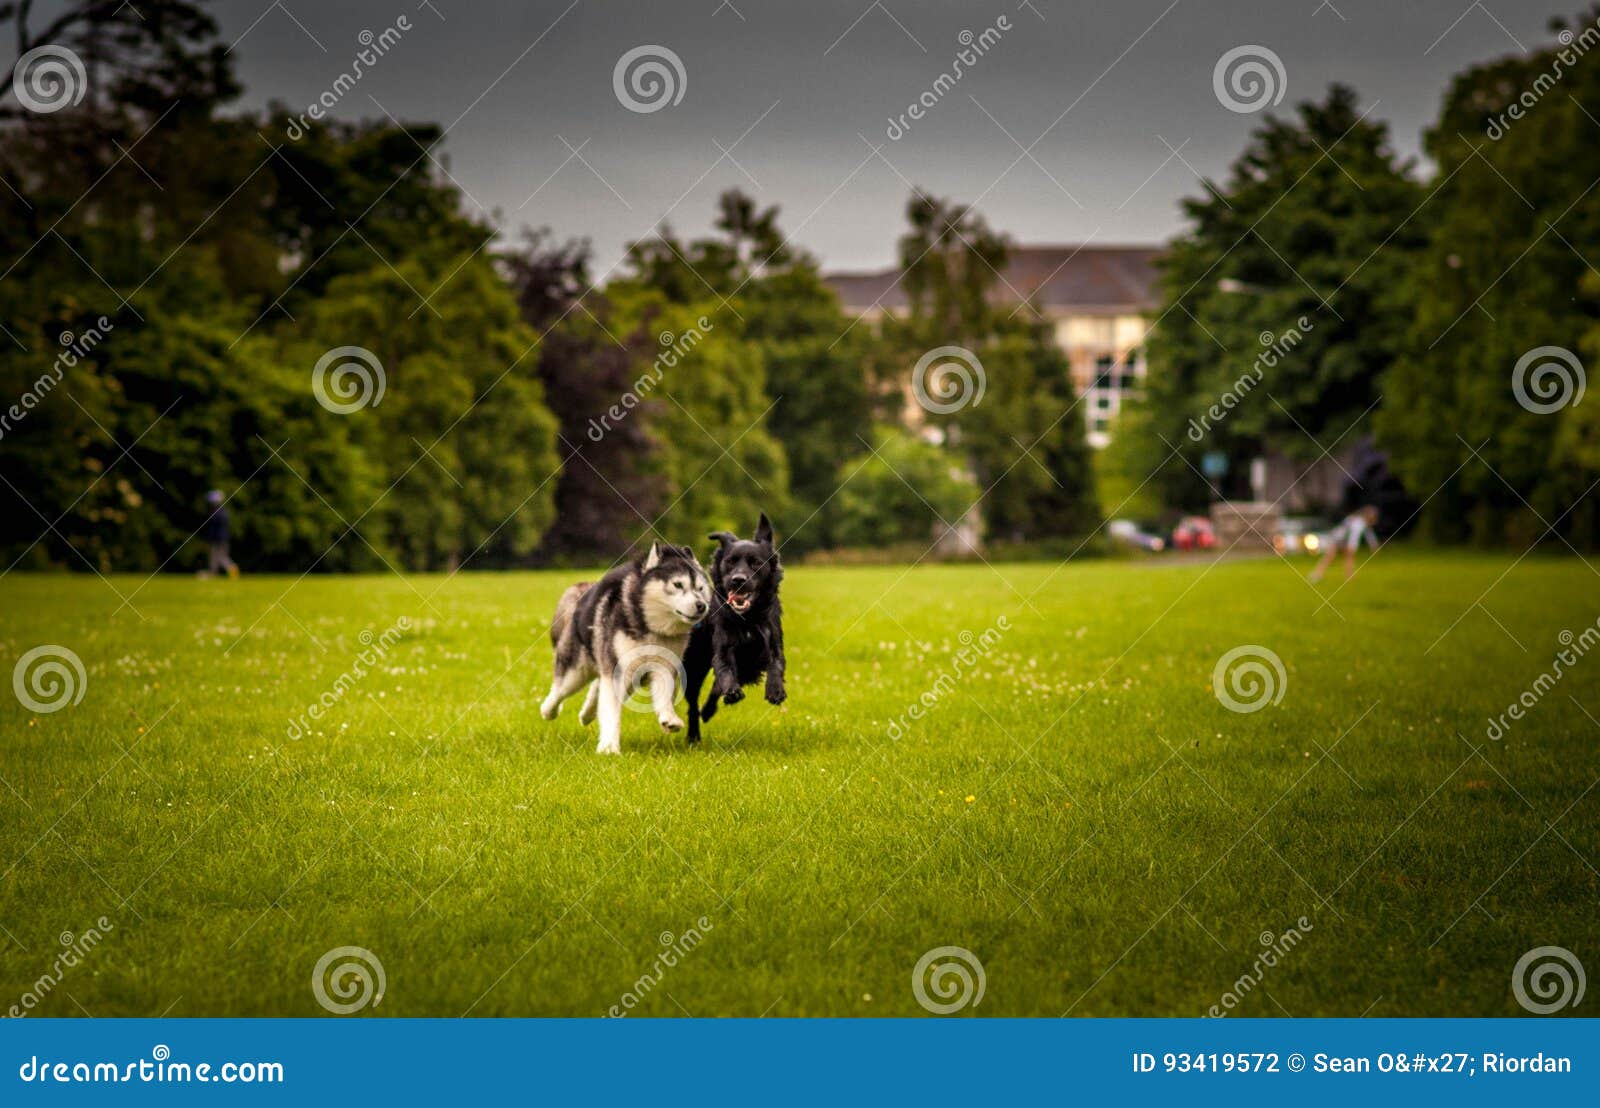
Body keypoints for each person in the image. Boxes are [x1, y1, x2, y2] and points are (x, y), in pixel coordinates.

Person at [1309, 504, 1379, 582]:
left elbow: (1368, 534)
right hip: (1339, 539)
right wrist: (1352, 546)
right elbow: (1353, 535)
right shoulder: (1359, 522)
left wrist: (1373, 545)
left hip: (1340, 538)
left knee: (1340, 557)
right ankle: (1318, 574)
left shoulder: (1358, 520)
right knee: (1331, 557)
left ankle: (1348, 575)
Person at [200, 490, 239, 578]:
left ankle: (232, 568)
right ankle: (213, 573)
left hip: (219, 539)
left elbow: (214, 529)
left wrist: (209, 539)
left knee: (220, 557)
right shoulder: (222, 512)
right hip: (220, 538)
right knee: (214, 557)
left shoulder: (218, 513)